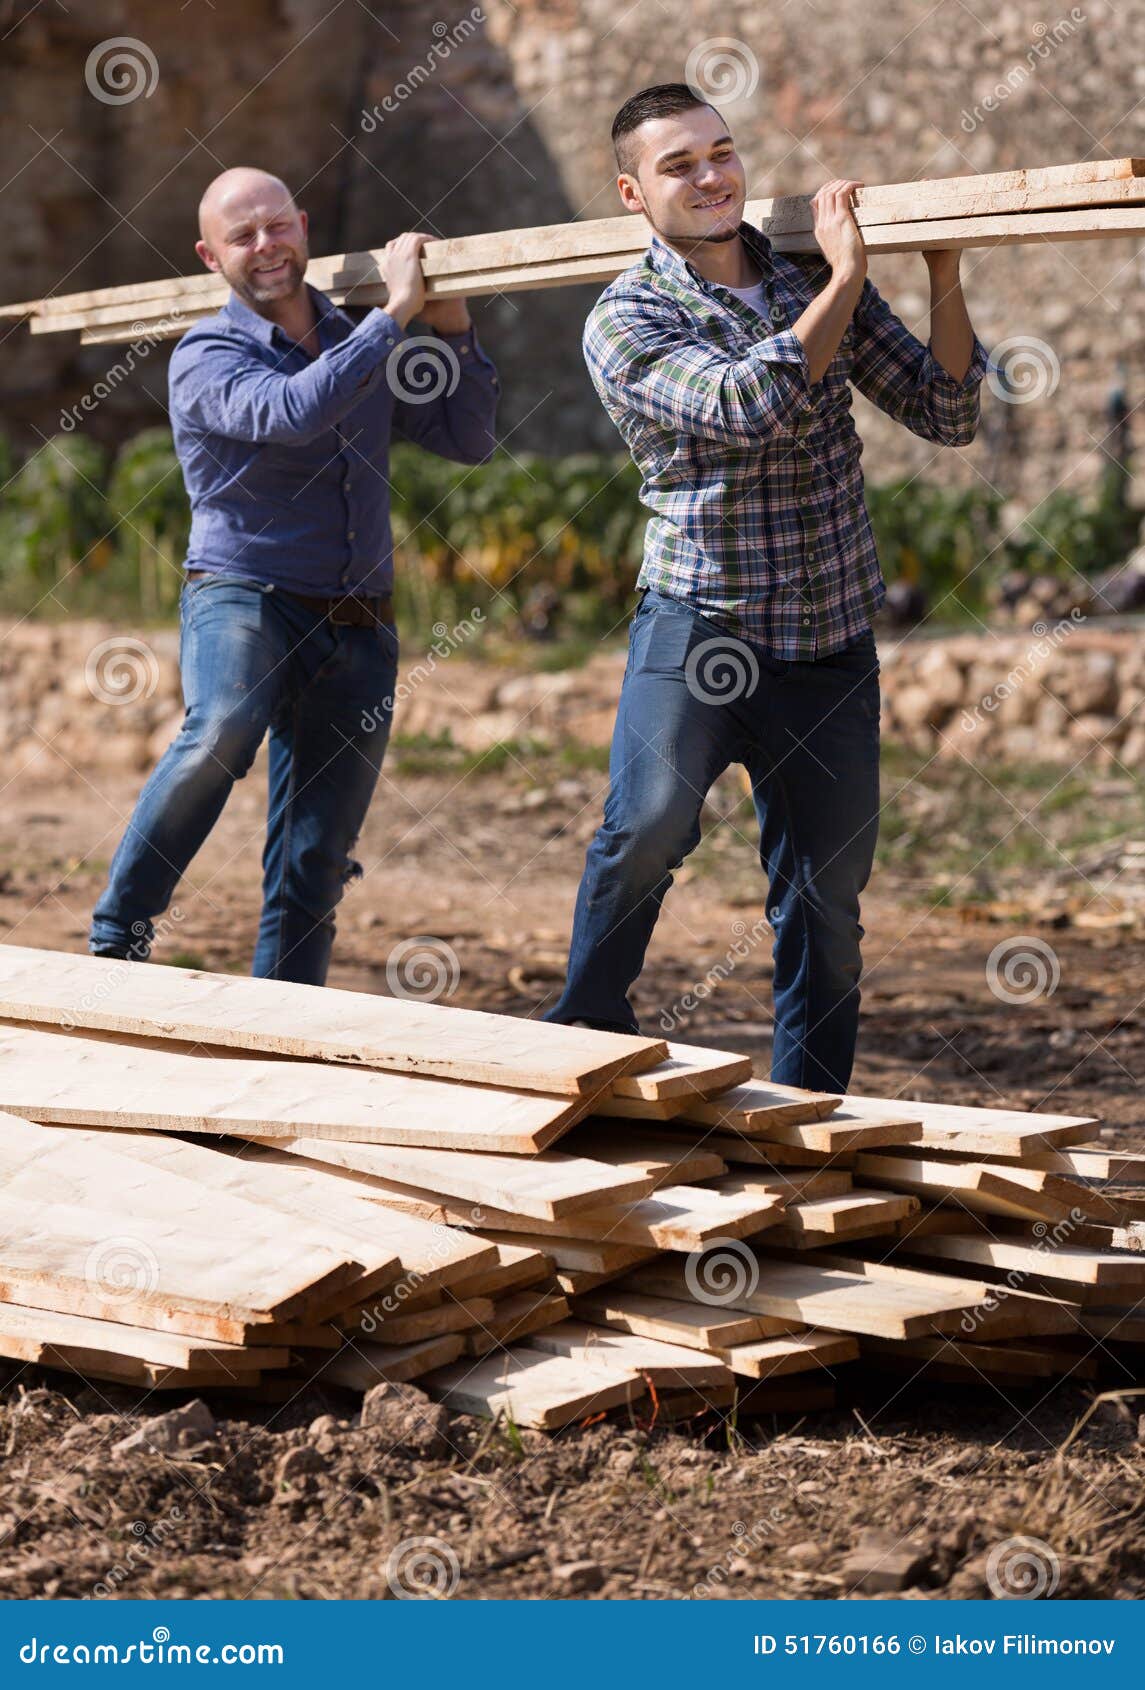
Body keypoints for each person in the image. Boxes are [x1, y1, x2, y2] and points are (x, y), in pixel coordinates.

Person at [546, 84, 988, 1092]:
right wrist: (844, 276)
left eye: (721, 152)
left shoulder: (803, 275)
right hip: (700, 625)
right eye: (678, 165)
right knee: (646, 826)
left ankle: (806, 1112)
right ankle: (579, 1049)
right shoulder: (625, 319)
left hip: (827, 641)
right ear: (630, 192)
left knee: (825, 901)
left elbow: (944, 411)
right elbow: (745, 402)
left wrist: (943, 268)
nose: (710, 177)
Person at [89, 168, 499, 984]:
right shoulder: (206, 355)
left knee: (318, 849)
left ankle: (286, 1013)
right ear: (211, 256)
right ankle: (115, 946)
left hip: (359, 619)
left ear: (302, 224)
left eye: (276, 226)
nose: (266, 246)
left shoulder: (357, 340)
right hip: (246, 595)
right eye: (242, 237)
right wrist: (395, 316)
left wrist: (451, 330)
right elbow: (290, 412)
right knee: (219, 734)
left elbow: (467, 438)